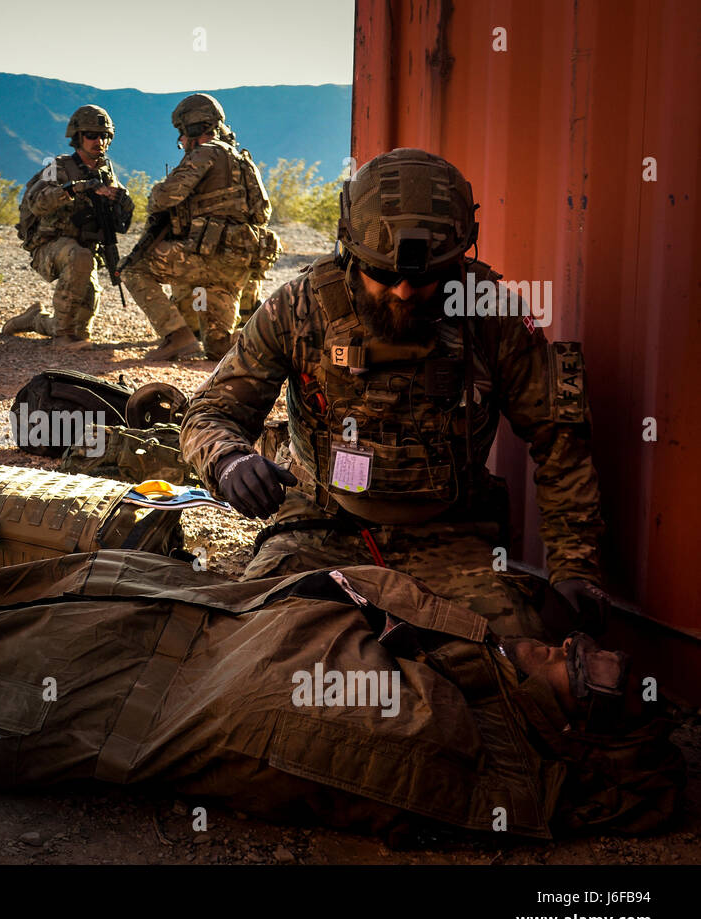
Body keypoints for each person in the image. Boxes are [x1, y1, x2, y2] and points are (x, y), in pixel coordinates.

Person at [0, 542, 682, 842]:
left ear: (572, 732)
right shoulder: (492, 663)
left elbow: (272, 700)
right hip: (170, 615)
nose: (571, 653)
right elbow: (353, 593)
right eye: (582, 649)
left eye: (586, 679)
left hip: (126, 690)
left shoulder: (452, 749)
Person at [179, 147, 609, 640]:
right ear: (350, 250)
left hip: (451, 536)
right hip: (319, 525)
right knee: (256, 641)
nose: (405, 292)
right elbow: (212, 411)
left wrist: (577, 569)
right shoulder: (297, 309)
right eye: (384, 274)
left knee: (510, 660)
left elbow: (562, 444)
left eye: (427, 277)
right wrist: (230, 460)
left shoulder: (491, 314)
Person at [121, 94, 271, 361]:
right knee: (218, 349)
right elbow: (263, 213)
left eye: (181, 133)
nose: (181, 141)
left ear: (190, 128)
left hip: (205, 259)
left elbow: (164, 198)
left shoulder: (206, 152)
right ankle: (265, 341)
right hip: (235, 267)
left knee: (133, 268)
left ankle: (176, 337)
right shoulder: (243, 160)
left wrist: (157, 192)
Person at [3, 105, 133, 349]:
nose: (99, 141)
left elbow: (119, 219)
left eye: (104, 135)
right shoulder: (57, 167)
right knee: (80, 258)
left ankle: (34, 321)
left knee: (81, 328)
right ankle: (62, 337)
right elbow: (36, 202)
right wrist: (74, 189)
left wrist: (122, 201)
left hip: (84, 252)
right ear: (77, 137)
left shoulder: (106, 173)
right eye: (92, 135)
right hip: (50, 247)